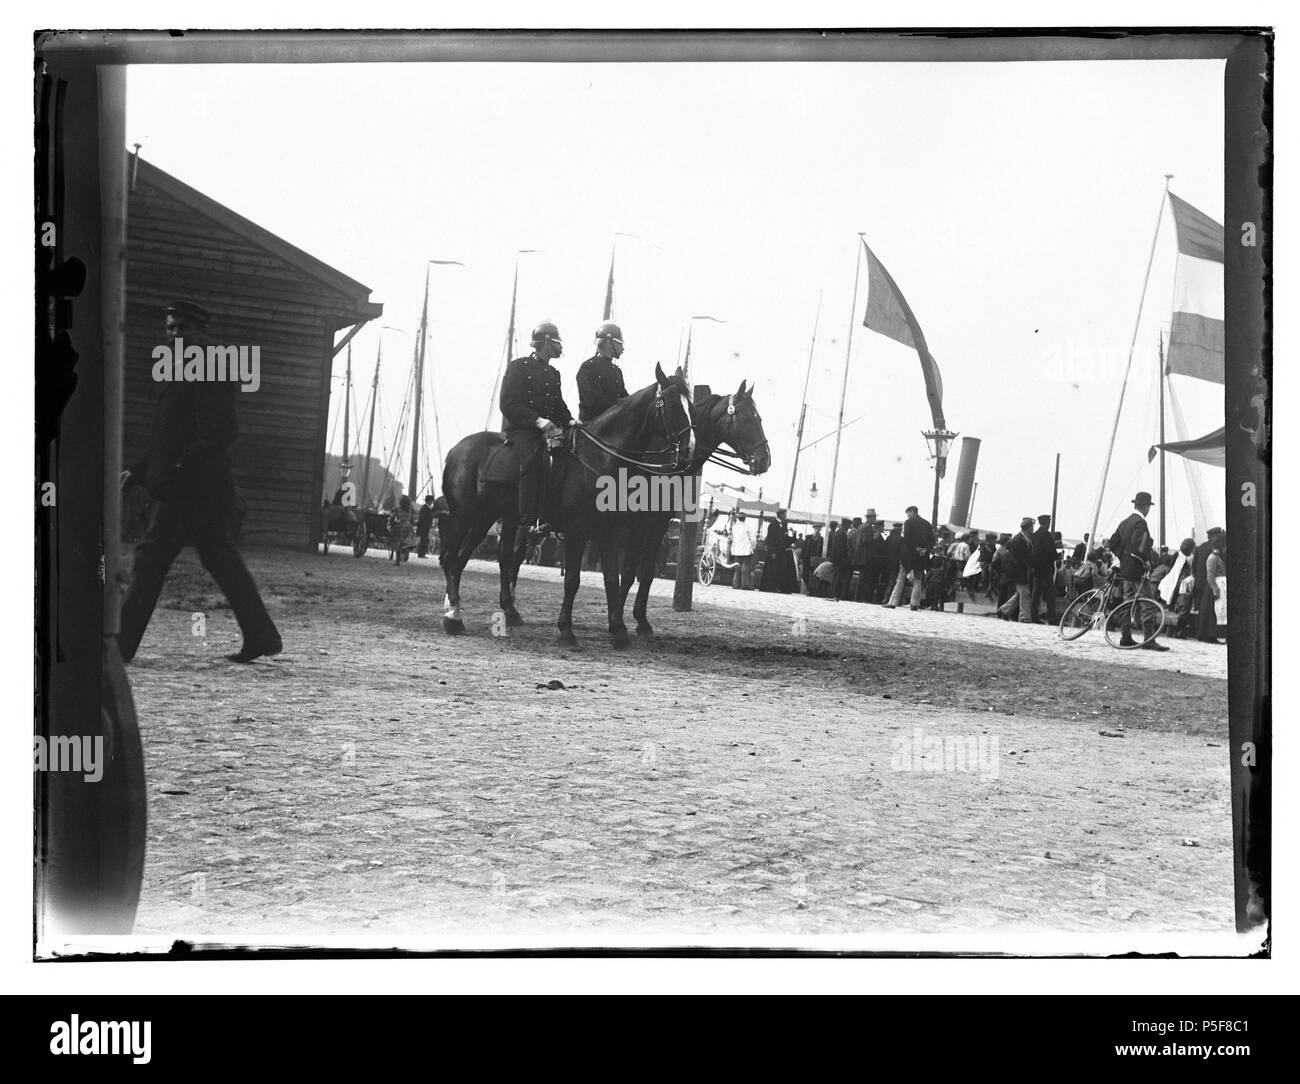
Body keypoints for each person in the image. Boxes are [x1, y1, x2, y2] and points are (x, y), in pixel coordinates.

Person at [118, 300, 281, 664]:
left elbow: (221, 431)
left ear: (200, 332)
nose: (174, 335)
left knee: (149, 559)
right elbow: (169, 436)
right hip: (197, 487)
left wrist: (175, 470)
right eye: (170, 329)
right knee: (220, 558)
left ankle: (121, 646)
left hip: (189, 489)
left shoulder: (209, 367)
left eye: (182, 329)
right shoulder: (181, 369)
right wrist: (140, 469)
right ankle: (261, 635)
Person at [499, 321, 574, 552]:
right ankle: (528, 521)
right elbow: (508, 403)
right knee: (532, 459)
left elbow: (557, 405)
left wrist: (571, 420)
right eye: (558, 342)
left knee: (569, 461)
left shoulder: (553, 373)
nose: (561, 347)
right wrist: (537, 421)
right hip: (524, 429)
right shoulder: (518, 367)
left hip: (549, 430)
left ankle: (552, 516)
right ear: (548, 342)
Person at [1108, 490, 1169, 651]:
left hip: (1126, 570)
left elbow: (1112, 543)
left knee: (1127, 603)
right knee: (1147, 603)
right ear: (1145, 507)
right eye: (1148, 507)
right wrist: (1146, 560)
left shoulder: (1124, 522)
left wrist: (1124, 557)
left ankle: (1125, 637)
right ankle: (1148, 639)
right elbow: (1140, 546)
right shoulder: (1141, 523)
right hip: (1138, 570)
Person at [576, 321, 630, 423]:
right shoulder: (588, 367)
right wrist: (621, 409)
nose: (622, 348)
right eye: (619, 343)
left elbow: (625, 398)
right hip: (592, 426)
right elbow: (594, 402)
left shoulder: (616, 370)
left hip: (614, 422)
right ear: (609, 343)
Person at [887, 505, 935, 610]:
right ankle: (914, 604)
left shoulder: (908, 522)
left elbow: (907, 539)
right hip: (921, 556)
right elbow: (932, 540)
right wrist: (924, 549)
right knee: (917, 581)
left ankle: (893, 602)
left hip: (908, 555)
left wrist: (916, 548)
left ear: (912, 511)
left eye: (908, 513)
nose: (907, 515)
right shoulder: (927, 524)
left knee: (900, 579)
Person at [997, 518, 1036, 622]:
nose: (1033, 528)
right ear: (1028, 527)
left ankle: (1003, 610)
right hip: (1019, 571)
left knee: (1019, 594)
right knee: (1025, 594)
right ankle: (1024, 617)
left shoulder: (1024, 539)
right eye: (1032, 526)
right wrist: (1025, 569)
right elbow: (1017, 558)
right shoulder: (1019, 540)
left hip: (1023, 571)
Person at [1030, 514, 1060, 624]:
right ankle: (1052, 618)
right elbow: (1050, 552)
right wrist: (1056, 557)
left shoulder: (1034, 535)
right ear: (1047, 523)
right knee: (1050, 594)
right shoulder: (1047, 536)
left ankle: (1033, 616)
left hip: (1037, 568)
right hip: (1046, 568)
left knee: (1035, 593)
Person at [1197, 535, 1227, 643]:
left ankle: (1212, 635)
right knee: (1211, 612)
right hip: (1213, 588)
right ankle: (1209, 635)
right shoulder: (1212, 558)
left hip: (1217, 586)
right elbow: (1210, 576)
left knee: (1214, 612)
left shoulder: (1216, 557)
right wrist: (1216, 589)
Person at [730, 511, 754, 589]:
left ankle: (736, 584)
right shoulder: (748, 527)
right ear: (745, 519)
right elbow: (753, 539)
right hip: (746, 550)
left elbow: (732, 537)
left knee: (737, 568)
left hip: (737, 550)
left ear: (738, 518)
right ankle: (745, 585)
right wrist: (752, 548)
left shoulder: (734, 527)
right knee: (745, 568)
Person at [390, 495, 416, 564]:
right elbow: (412, 520)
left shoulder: (397, 509)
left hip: (400, 527)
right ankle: (406, 549)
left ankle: (397, 561)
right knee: (405, 542)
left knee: (398, 543)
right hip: (409, 527)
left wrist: (392, 523)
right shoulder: (411, 509)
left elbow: (392, 518)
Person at [799, 523, 823, 592]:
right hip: (807, 559)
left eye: (818, 528)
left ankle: (811, 590)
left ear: (820, 529)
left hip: (815, 560)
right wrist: (801, 557)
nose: (817, 530)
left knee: (813, 575)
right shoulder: (808, 537)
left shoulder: (821, 539)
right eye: (816, 528)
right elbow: (804, 548)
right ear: (814, 529)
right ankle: (805, 588)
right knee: (805, 574)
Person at [416, 494, 435, 558]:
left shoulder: (425, 507)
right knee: (423, 541)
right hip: (424, 527)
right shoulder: (426, 508)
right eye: (431, 501)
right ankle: (421, 554)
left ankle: (421, 553)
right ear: (429, 501)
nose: (432, 502)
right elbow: (425, 519)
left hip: (424, 527)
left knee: (424, 540)